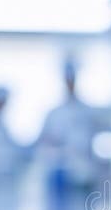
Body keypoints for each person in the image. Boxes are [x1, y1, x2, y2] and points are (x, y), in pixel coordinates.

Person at [38, 56, 98, 189]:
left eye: (72, 79)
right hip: (58, 174)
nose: (70, 82)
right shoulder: (54, 114)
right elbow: (44, 142)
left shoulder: (87, 112)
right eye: (67, 79)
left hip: (83, 173)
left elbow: (91, 141)